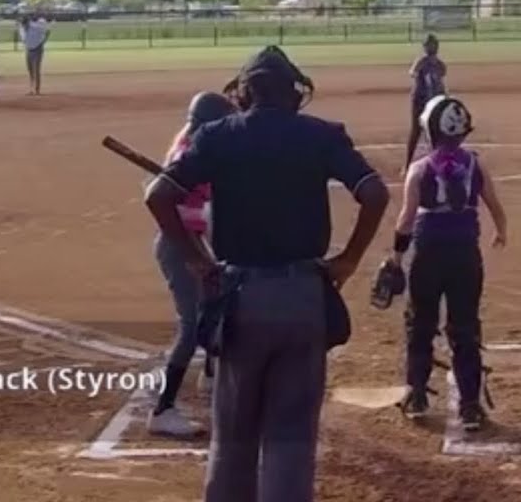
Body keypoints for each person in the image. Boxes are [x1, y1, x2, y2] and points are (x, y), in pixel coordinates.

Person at [144, 45, 390, 502]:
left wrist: (197, 259)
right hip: (303, 297)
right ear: (295, 93)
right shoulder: (322, 135)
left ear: (244, 93)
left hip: (241, 298)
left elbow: (159, 195)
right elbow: (373, 193)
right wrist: (350, 258)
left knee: (234, 436)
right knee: (290, 440)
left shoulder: (217, 135)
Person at [391, 95, 507, 431]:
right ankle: (470, 405)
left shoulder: (419, 169)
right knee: (465, 327)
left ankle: (416, 394)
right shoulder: (475, 164)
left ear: (429, 129)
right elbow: (494, 205)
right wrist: (501, 231)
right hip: (465, 256)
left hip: (427, 255)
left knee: (421, 325)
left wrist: (396, 257)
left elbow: (406, 219)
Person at [147, 91, 235, 438]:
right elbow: (163, 203)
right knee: (192, 324)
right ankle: (163, 409)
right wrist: (193, 255)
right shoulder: (188, 152)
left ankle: (211, 376)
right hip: (179, 245)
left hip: (193, 240)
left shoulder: (194, 146)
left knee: (217, 301)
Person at [403, 34, 447, 175]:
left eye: (433, 44)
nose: (431, 47)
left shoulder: (439, 64)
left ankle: (437, 162)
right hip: (420, 99)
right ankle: (407, 164)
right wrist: (419, 73)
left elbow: (442, 78)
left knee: (435, 132)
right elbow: (412, 72)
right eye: (428, 45)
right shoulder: (422, 61)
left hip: (433, 101)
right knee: (416, 131)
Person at [19, 16, 50, 95]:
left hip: (37, 49)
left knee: (36, 70)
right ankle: (31, 89)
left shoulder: (36, 27)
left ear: (28, 22)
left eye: (25, 23)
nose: (24, 25)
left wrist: (43, 42)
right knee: (30, 70)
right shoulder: (21, 29)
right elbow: (24, 40)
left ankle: (37, 90)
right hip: (29, 50)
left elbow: (47, 31)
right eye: (23, 24)